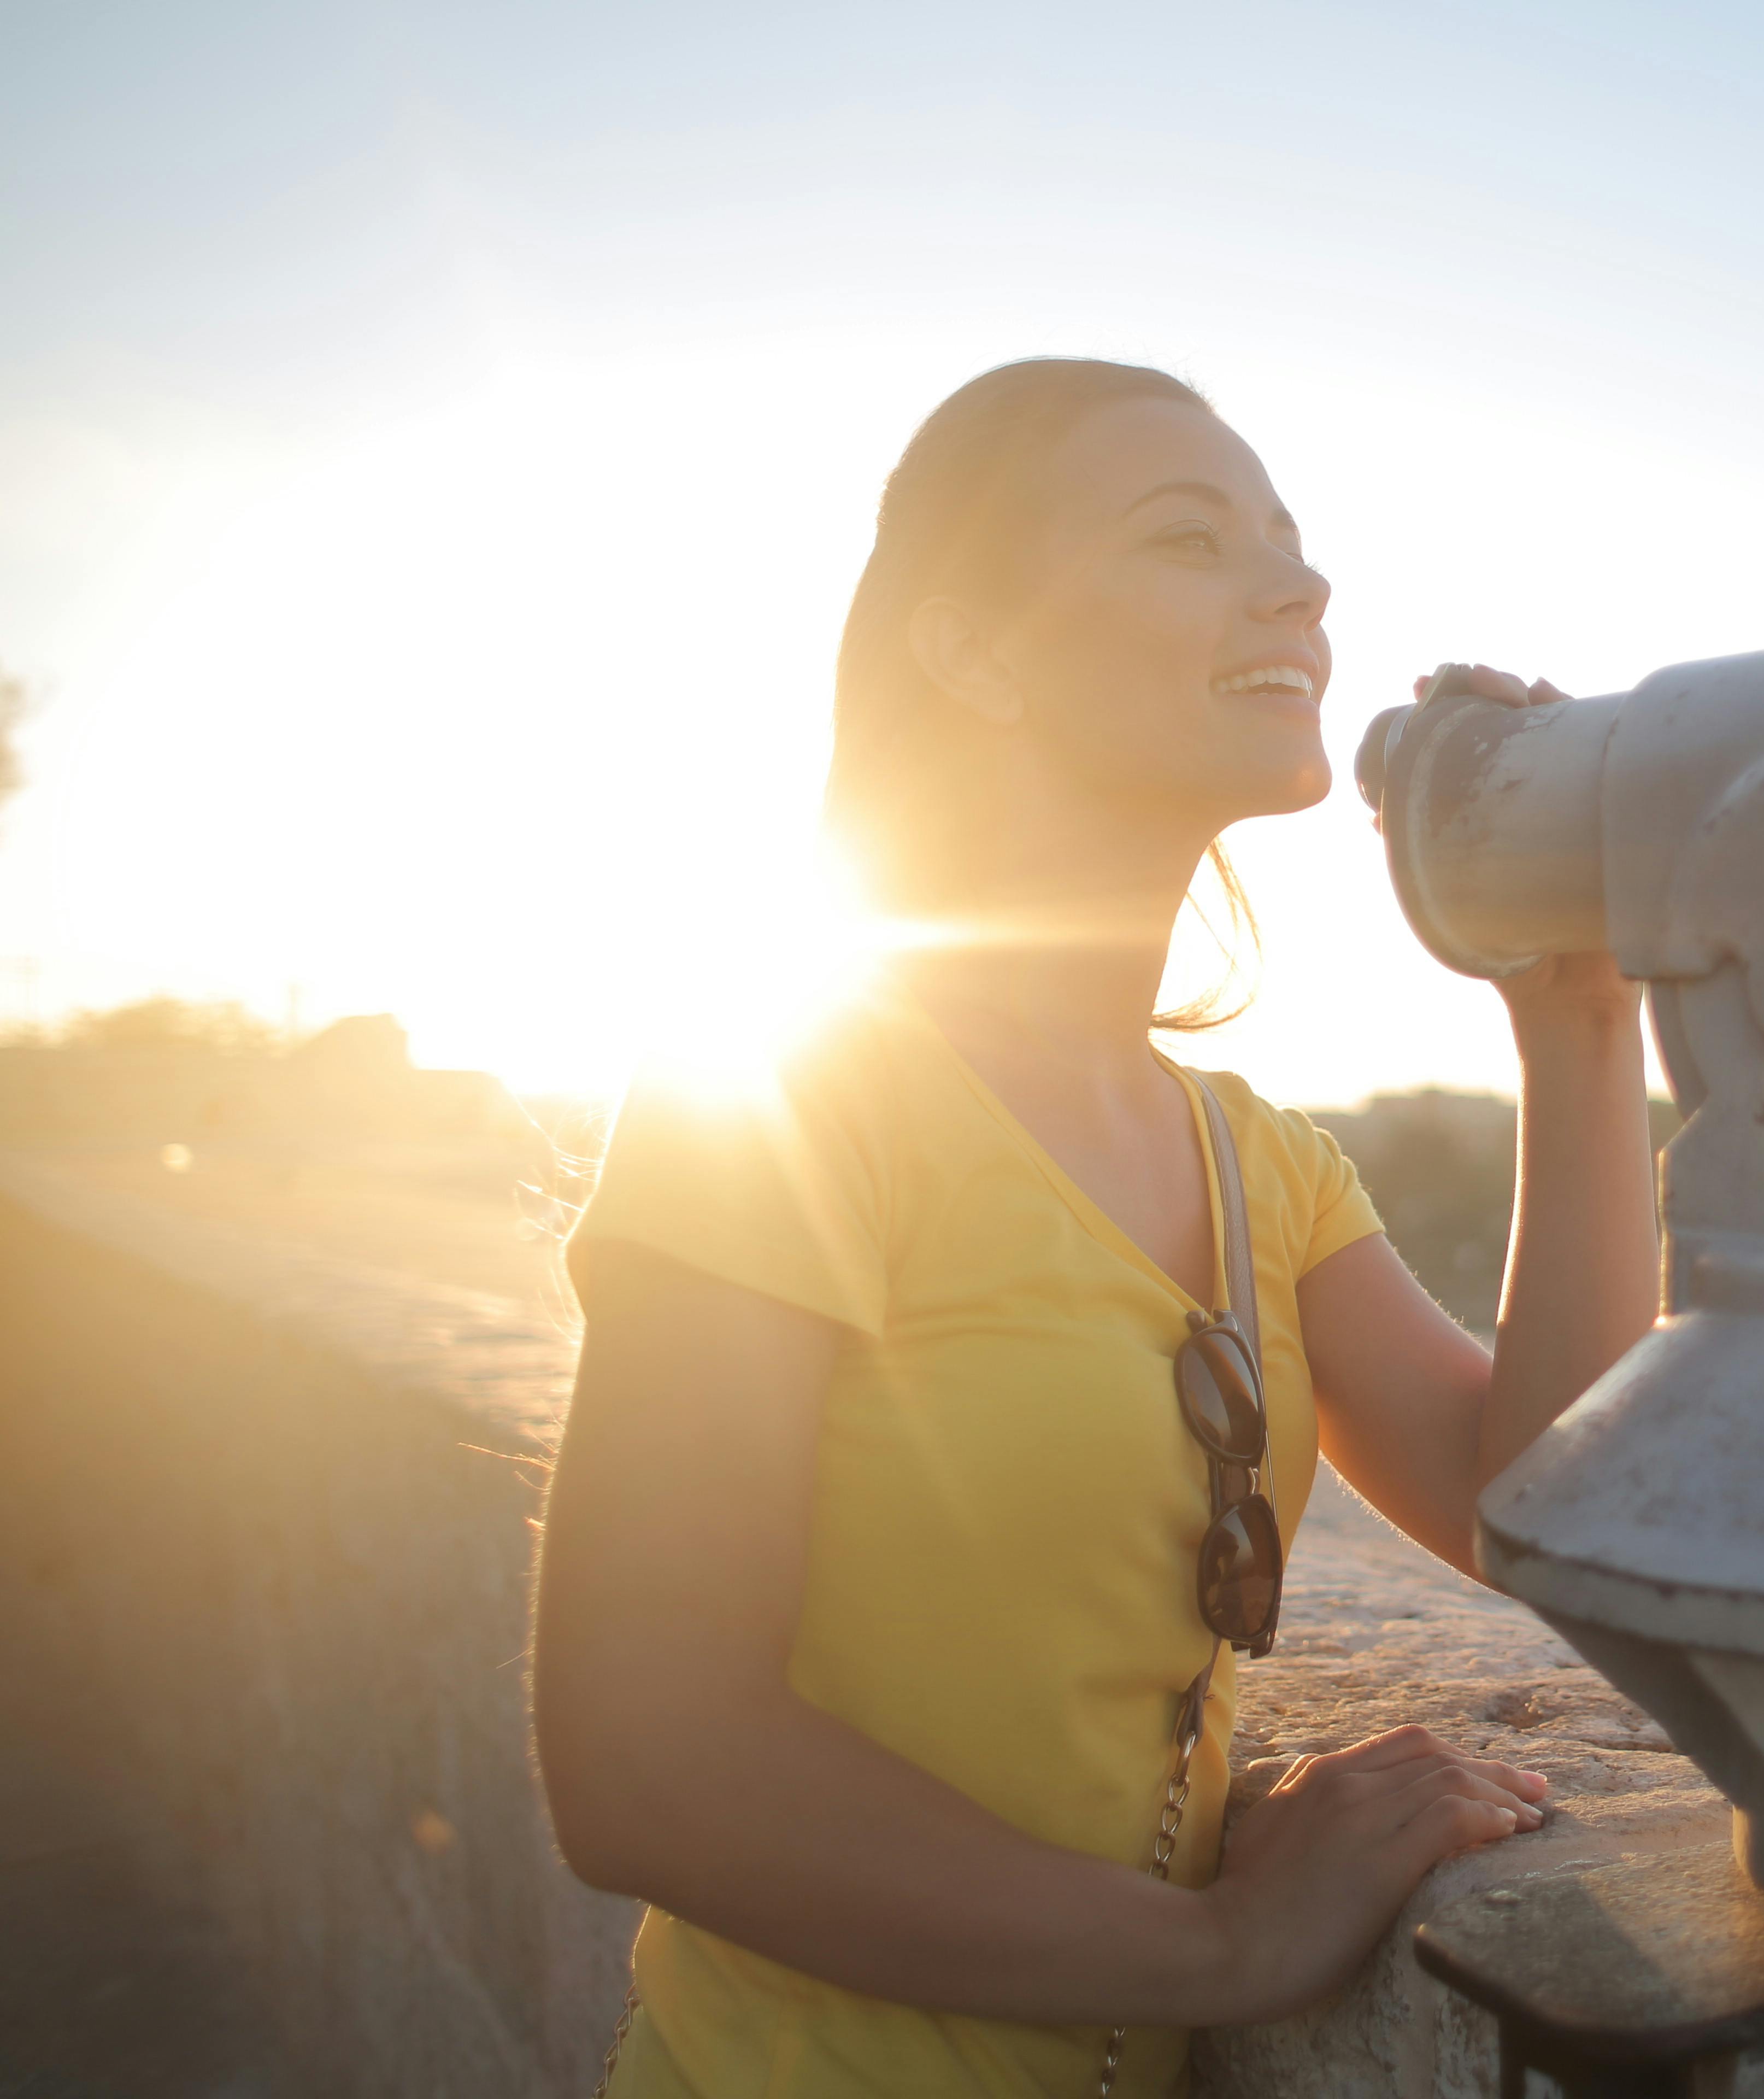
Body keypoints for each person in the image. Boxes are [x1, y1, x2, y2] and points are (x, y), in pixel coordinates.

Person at [528, 357, 1660, 2098]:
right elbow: (646, 1759)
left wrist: (1578, 1014)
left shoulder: (1255, 1162)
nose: (1302, 588)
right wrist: (1218, 1947)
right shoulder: (782, 1093)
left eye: (1290, 543)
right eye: (1188, 536)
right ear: (969, 647)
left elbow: (1556, 1509)